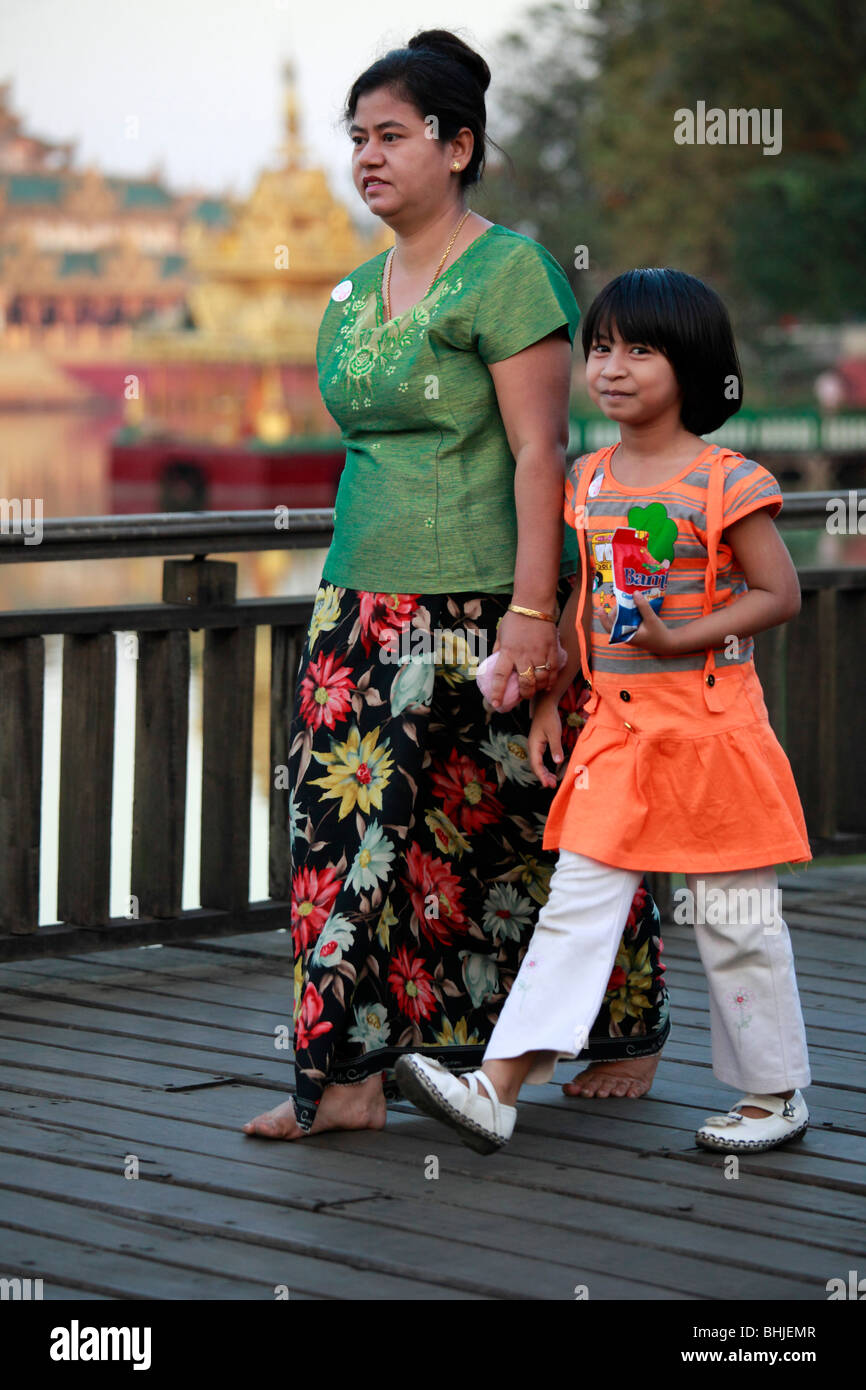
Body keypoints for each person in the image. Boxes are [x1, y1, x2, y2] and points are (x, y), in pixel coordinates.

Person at [243, 31, 670, 1142]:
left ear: (457, 144)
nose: (367, 158)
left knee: (529, 815)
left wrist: (536, 618)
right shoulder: (348, 291)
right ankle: (345, 1074)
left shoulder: (507, 270)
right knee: (337, 832)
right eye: (357, 139)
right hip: (359, 602)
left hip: (485, 600)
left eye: (391, 136)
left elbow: (540, 452)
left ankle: (620, 1028)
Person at [396, 266, 813, 1156]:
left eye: (640, 350)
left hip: (712, 731)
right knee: (577, 905)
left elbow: (780, 593)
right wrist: (553, 701)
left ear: (692, 366)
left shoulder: (723, 482)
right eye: (600, 350)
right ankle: (496, 1089)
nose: (612, 368)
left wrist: (682, 637)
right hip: (617, 732)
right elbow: (584, 605)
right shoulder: (586, 480)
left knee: (737, 918)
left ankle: (774, 1094)